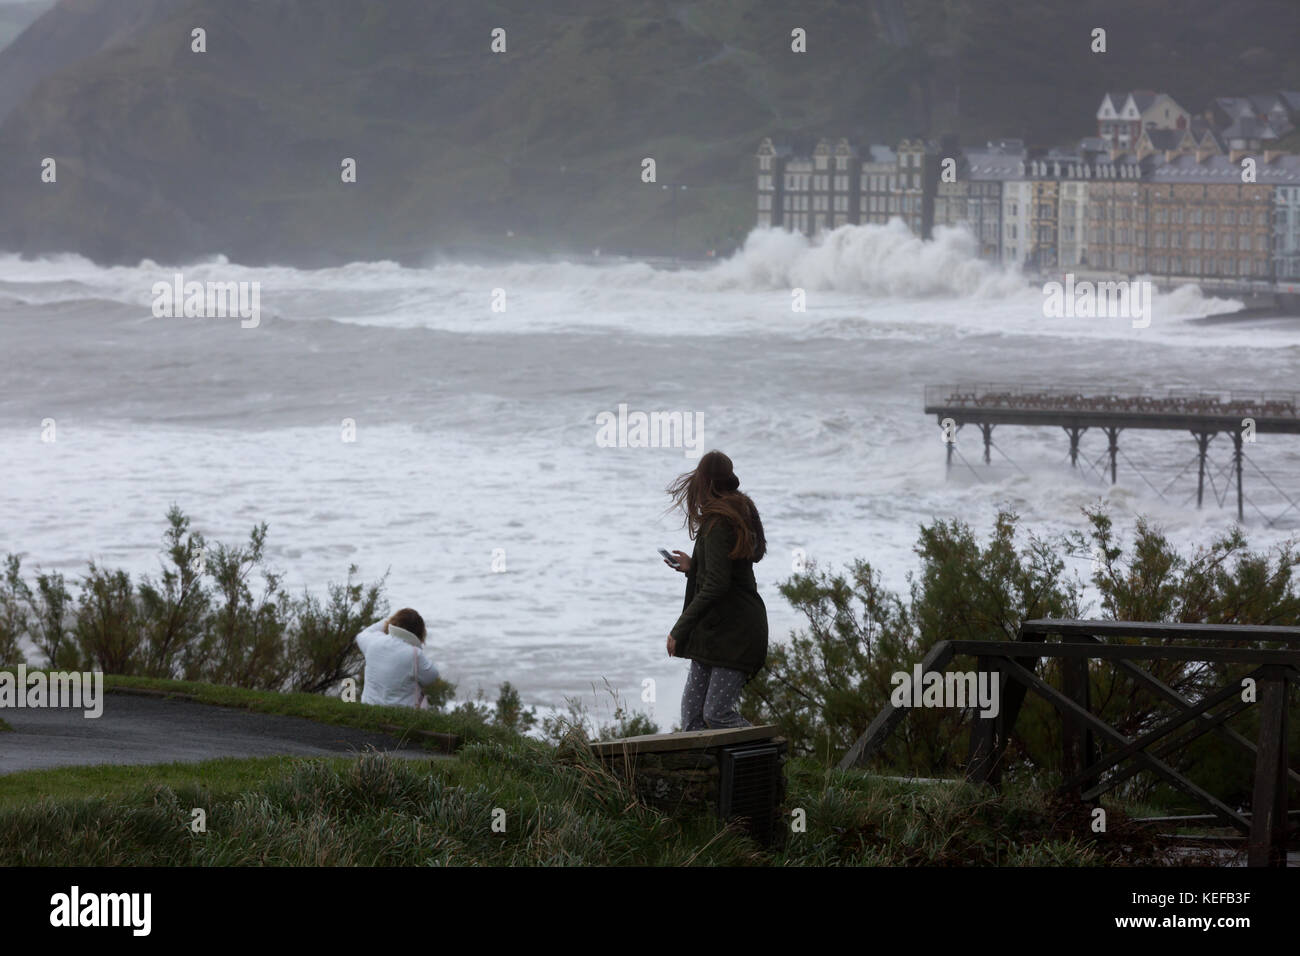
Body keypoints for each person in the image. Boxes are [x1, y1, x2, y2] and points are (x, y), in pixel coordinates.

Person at [663, 450, 768, 731]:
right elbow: (729, 569)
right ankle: (704, 773)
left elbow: (717, 585)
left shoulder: (720, 521)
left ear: (706, 482)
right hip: (716, 631)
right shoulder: (737, 511)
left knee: (717, 715)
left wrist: (679, 629)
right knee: (693, 719)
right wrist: (694, 566)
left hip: (735, 633)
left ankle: (767, 753)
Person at [354, 607, 439, 708]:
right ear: (419, 632)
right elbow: (432, 676)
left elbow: (361, 635)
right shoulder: (415, 654)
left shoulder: (373, 641)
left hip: (369, 709)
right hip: (403, 715)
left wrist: (389, 620)